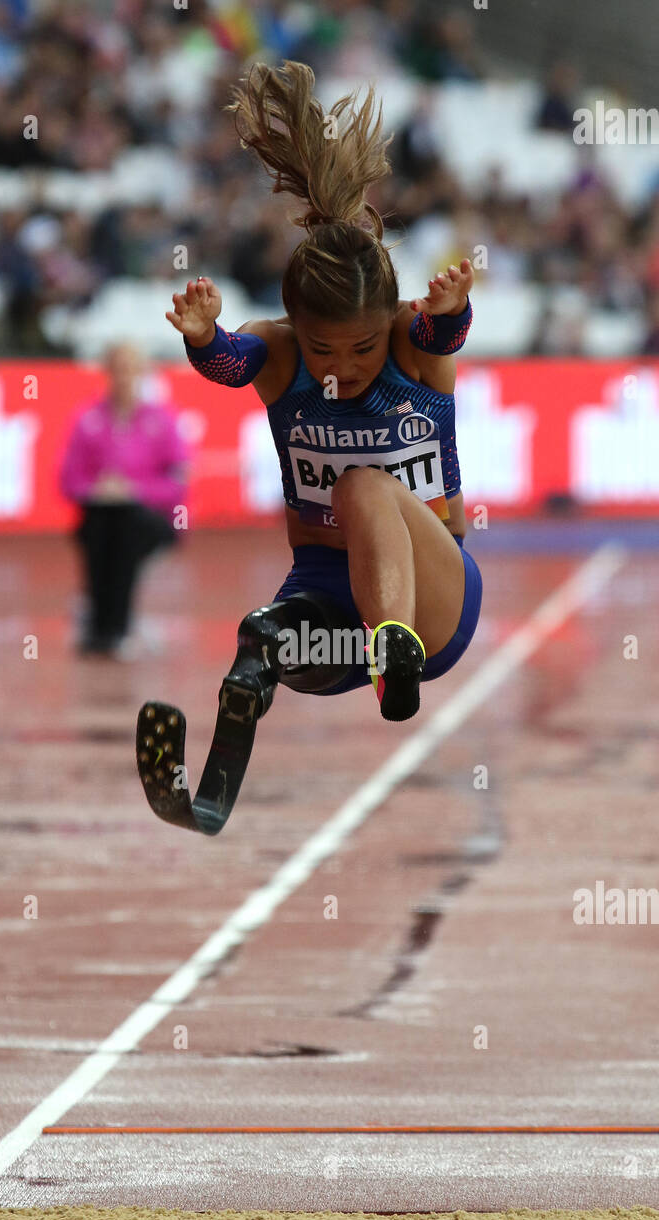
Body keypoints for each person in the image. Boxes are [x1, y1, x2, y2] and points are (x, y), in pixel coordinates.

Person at [172, 58, 482, 725]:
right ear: (296, 329)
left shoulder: (411, 344)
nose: (344, 365)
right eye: (324, 349)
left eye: (362, 347)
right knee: (265, 630)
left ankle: (392, 648)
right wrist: (202, 339)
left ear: (389, 324)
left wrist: (453, 308)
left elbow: (442, 334)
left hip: (433, 601)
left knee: (362, 487)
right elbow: (230, 363)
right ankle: (251, 690)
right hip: (327, 593)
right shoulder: (279, 354)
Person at [59, 340, 188, 657]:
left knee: (125, 528)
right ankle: (102, 624)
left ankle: (112, 626)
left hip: (150, 520)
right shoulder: (89, 419)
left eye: (130, 368)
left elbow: (177, 482)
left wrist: (134, 490)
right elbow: (68, 479)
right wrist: (97, 490)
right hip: (103, 516)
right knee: (101, 524)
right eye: (117, 368)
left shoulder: (161, 419)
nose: (123, 376)